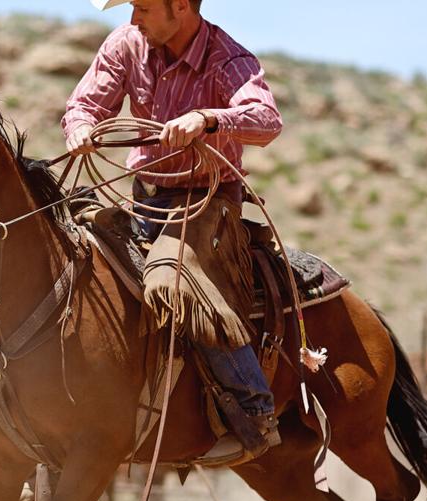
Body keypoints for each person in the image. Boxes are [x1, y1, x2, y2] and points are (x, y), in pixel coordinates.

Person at [64, 0, 284, 464]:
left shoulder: (227, 58)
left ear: (180, 6)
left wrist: (209, 119)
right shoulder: (128, 44)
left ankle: (254, 408)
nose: (133, 19)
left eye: (142, 8)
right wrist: (81, 126)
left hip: (206, 202)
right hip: (143, 196)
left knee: (174, 281)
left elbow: (266, 121)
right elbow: (85, 102)